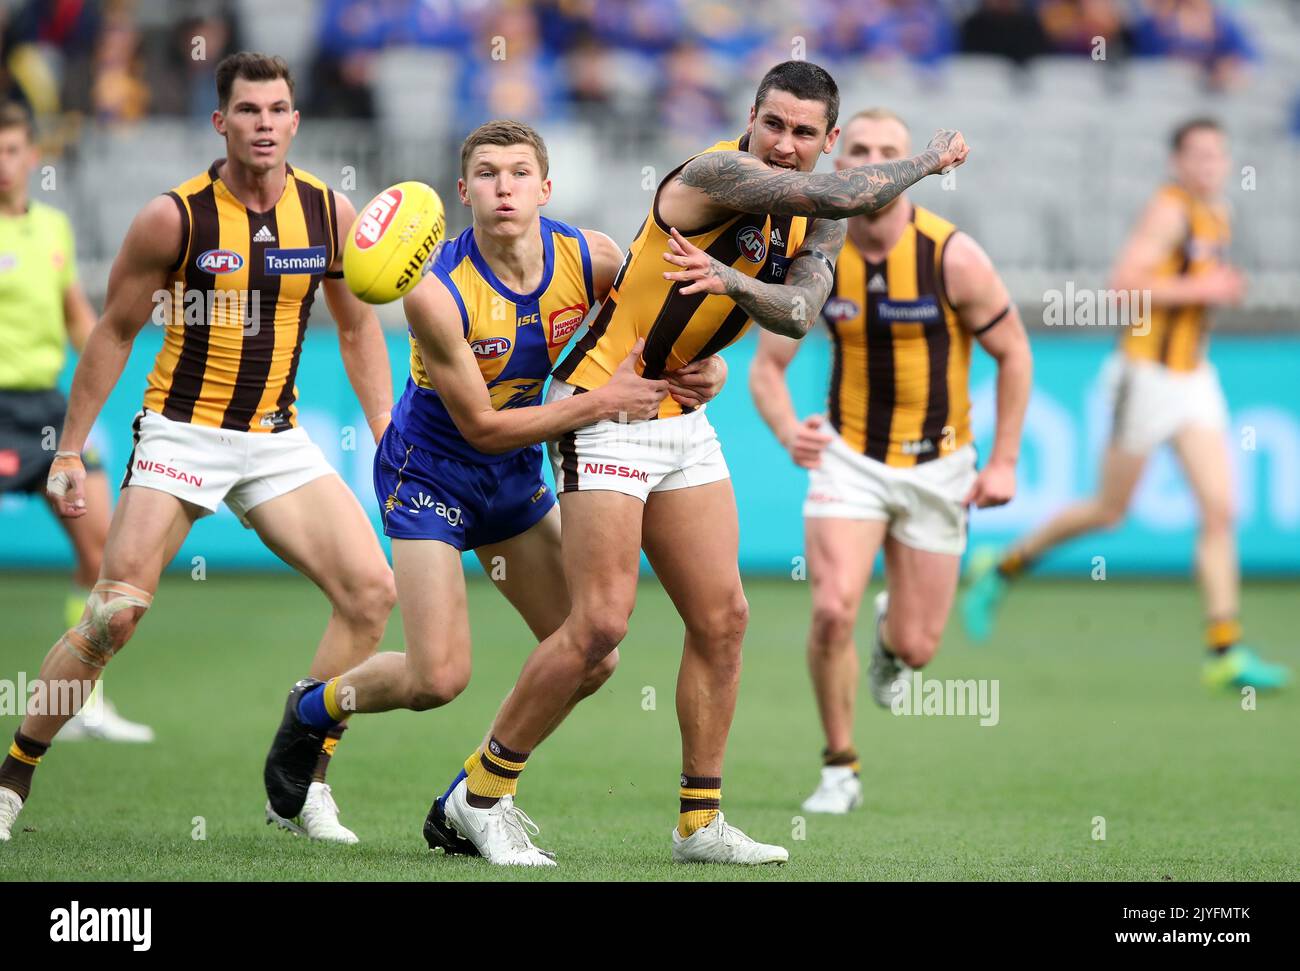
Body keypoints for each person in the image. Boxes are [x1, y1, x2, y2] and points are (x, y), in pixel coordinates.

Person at [435, 60, 969, 866]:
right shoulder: (712, 173)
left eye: (803, 133)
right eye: (774, 125)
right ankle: (478, 793)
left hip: (684, 418)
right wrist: (926, 160)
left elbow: (797, 311)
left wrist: (724, 281)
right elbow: (845, 195)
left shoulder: (814, 220)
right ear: (751, 119)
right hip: (607, 406)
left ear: (827, 139)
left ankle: (698, 823)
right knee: (602, 624)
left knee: (724, 619)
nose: (785, 145)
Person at [261, 120, 729, 859]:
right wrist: (603, 403)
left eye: (518, 173)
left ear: (546, 188)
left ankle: (477, 793)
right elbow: (479, 426)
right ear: (462, 191)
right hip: (432, 472)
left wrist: (709, 371)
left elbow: (665, 334)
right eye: (486, 173)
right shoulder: (435, 292)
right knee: (437, 676)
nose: (504, 186)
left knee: (594, 654)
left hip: (514, 474)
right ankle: (317, 703)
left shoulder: (594, 257)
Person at [0, 52, 398, 844]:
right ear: (221, 122)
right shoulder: (173, 216)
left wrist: (387, 433)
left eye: (278, 109)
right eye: (247, 110)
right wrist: (71, 448)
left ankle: (301, 782)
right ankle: (12, 780)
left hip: (276, 440)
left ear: (295, 120)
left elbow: (356, 328)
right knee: (114, 613)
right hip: (183, 432)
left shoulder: (328, 213)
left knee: (370, 593)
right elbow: (113, 332)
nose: (264, 124)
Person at [749, 108, 1031, 814]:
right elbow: (766, 369)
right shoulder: (820, 253)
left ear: (913, 164)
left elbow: (1014, 354)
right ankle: (840, 766)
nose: (874, 162)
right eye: (863, 149)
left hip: (940, 465)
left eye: (890, 151)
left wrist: (1003, 463)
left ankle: (890, 638)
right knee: (829, 608)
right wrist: (789, 431)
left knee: (918, 644)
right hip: (849, 457)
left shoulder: (952, 256)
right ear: (841, 158)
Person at [963, 117, 1290, 692]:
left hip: (1193, 379)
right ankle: (1004, 564)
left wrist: (1208, 297)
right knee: (1109, 510)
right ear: (1178, 162)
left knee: (1220, 511)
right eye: (1200, 156)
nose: (1211, 166)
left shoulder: (1219, 214)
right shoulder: (1169, 210)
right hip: (1146, 378)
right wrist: (1204, 289)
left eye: (1219, 155)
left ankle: (1224, 650)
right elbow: (1122, 287)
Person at [0, 101, 153, 744]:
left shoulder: (53, 229)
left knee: (102, 554)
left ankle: (79, 701)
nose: (3, 164)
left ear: (33, 156)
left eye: (12, 150)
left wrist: (110, 379)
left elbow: (77, 320)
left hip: (45, 412)